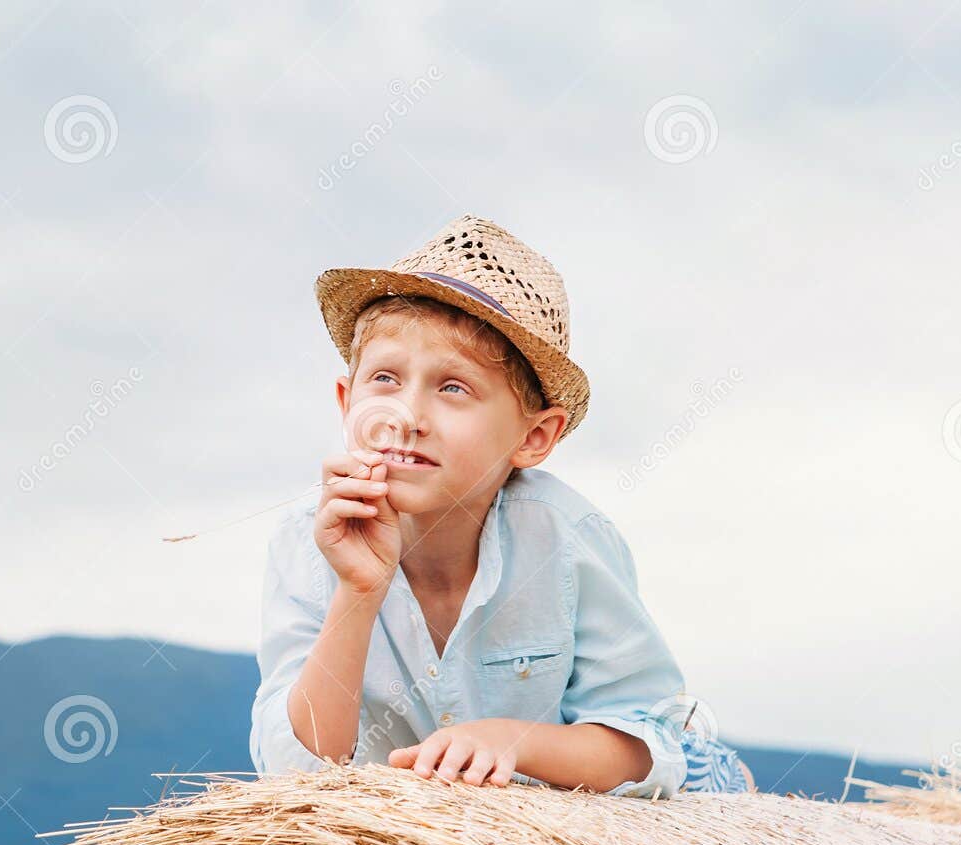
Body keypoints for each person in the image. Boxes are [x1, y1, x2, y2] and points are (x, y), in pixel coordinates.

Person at [249, 214, 753, 796]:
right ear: (346, 401)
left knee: (696, 763)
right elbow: (293, 778)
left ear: (534, 437)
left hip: (570, 808)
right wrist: (358, 594)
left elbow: (647, 749)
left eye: (453, 388)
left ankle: (729, 769)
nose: (406, 417)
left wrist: (513, 740)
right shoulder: (306, 542)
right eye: (385, 379)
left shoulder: (570, 538)